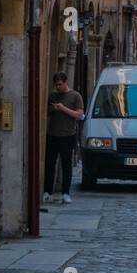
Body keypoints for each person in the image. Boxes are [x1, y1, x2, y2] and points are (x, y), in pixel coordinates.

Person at [43, 72, 84, 205]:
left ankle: (66, 193)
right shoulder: (53, 95)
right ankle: (47, 192)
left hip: (68, 136)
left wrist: (63, 108)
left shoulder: (75, 96)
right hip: (52, 135)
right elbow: (46, 112)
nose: (58, 87)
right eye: (56, 85)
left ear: (66, 82)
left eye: (60, 84)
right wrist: (53, 109)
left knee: (66, 165)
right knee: (50, 164)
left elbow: (79, 115)